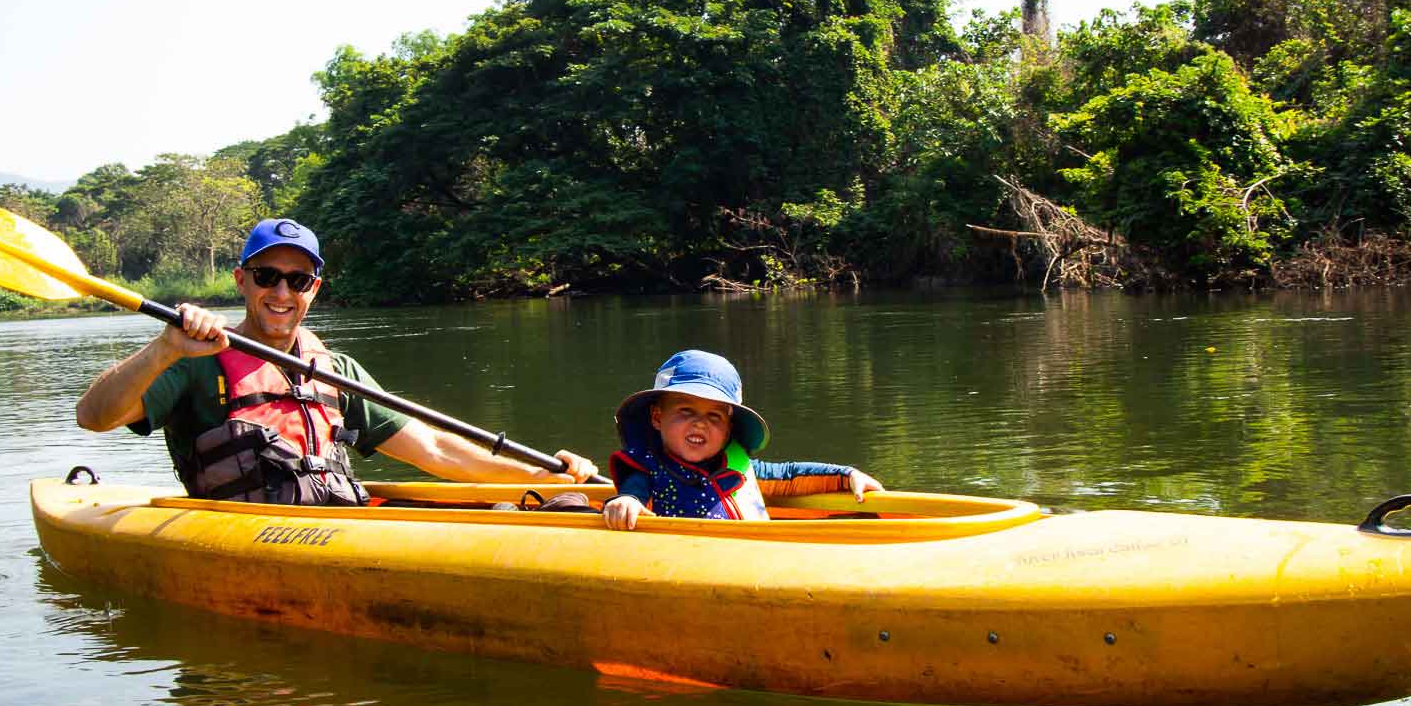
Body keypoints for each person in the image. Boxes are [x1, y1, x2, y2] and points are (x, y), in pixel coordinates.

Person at [76, 217, 597, 502]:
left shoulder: (337, 370)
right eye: (266, 276)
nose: (282, 292)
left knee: (559, 504)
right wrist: (164, 348)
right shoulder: (195, 359)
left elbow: (436, 449)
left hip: (335, 522)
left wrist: (544, 474)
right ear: (241, 281)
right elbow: (93, 417)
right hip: (244, 535)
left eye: (298, 280)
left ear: (315, 289)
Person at [603, 349, 882, 530]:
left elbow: (791, 475)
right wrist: (626, 502)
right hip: (682, 570)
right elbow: (631, 494)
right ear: (657, 417)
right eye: (686, 411)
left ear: (728, 429)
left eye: (714, 416)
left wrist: (847, 475)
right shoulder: (646, 470)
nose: (700, 423)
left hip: (751, 565)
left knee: (862, 520)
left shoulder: (741, 468)